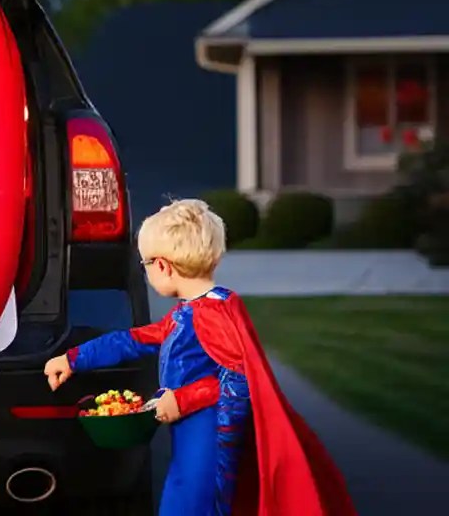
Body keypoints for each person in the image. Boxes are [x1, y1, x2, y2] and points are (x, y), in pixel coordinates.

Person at [44, 199, 356, 516]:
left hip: (209, 445)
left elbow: (239, 379)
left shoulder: (211, 313)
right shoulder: (193, 311)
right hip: (193, 440)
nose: (147, 273)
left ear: (162, 265)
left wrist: (182, 399)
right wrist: (74, 358)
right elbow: (138, 339)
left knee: (191, 507)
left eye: (145, 265)